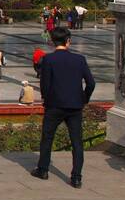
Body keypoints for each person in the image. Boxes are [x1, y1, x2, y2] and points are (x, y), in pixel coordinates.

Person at [32, 27, 96, 188]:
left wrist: (46, 100)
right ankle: (76, 177)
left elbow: (45, 84)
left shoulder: (48, 60)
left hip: (54, 105)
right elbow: (91, 83)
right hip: (75, 106)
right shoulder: (79, 59)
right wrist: (84, 98)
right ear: (68, 41)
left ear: (53, 42)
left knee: (47, 138)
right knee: (77, 142)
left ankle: (43, 169)